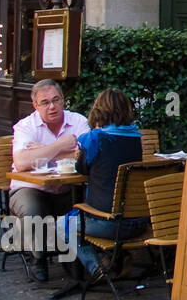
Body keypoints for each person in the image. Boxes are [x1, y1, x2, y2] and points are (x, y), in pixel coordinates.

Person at [10, 79, 89, 281]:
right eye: (45, 102)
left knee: (88, 203)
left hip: (68, 186)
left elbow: (85, 156)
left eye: (56, 100)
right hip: (30, 187)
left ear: (63, 100)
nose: (52, 106)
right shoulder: (25, 127)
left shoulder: (78, 122)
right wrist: (62, 145)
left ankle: (73, 256)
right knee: (33, 208)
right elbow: (21, 163)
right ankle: (39, 257)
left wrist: (43, 152)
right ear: (35, 106)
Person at [63, 89, 147, 276]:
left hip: (109, 223)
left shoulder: (95, 138)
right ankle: (116, 258)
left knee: (63, 223)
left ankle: (97, 268)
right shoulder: (136, 137)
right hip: (139, 223)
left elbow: (82, 168)